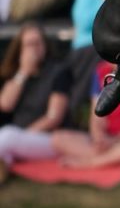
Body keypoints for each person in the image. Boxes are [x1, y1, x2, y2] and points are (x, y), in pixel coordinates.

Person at [0, 23, 73, 183]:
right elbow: (5, 104)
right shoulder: (16, 74)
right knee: (6, 145)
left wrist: (22, 137)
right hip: (18, 137)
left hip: (47, 138)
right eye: (29, 44)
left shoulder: (58, 72)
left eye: (37, 43)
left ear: (45, 45)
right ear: (20, 49)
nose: (34, 49)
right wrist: (23, 73)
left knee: (7, 137)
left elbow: (53, 117)